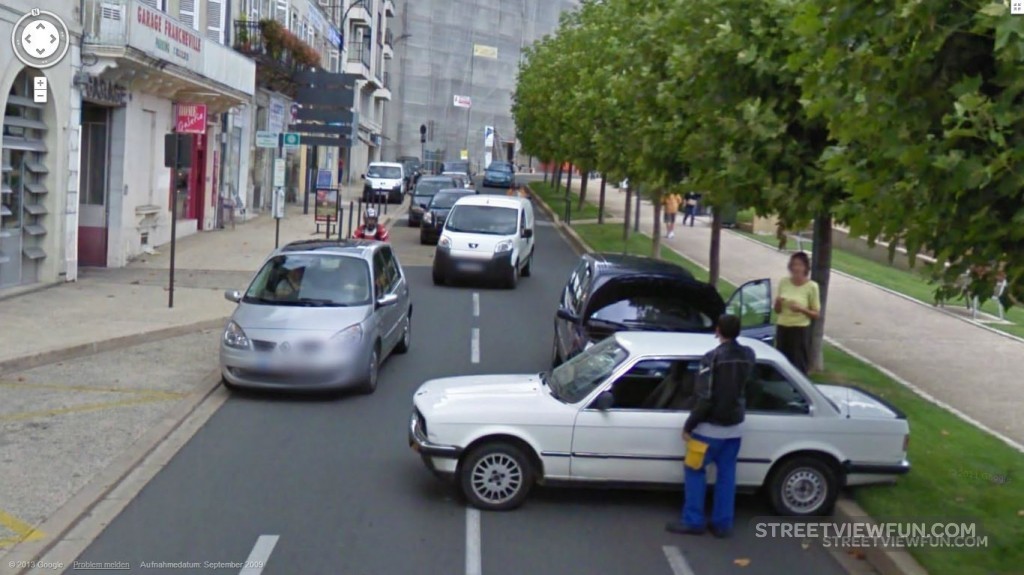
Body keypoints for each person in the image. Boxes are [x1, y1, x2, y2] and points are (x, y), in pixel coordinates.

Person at [666, 314, 755, 539]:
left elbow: (705, 398)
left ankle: (694, 521)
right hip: (734, 429)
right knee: (727, 476)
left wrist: (689, 425)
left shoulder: (711, 359)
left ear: (718, 331)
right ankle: (722, 524)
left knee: (694, 471)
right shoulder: (748, 355)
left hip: (707, 431)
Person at [773, 252, 821, 374]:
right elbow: (777, 311)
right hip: (783, 327)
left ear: (805, 268)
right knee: (781, 362)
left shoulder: (812, 287)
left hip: (799, 330)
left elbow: (816, 314)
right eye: (793, 265)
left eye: (799, 265)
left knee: (798, 363)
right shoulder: (784, 282)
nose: (796, 268)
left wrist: (801, 309)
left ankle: (800, 388)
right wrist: (778, 302)